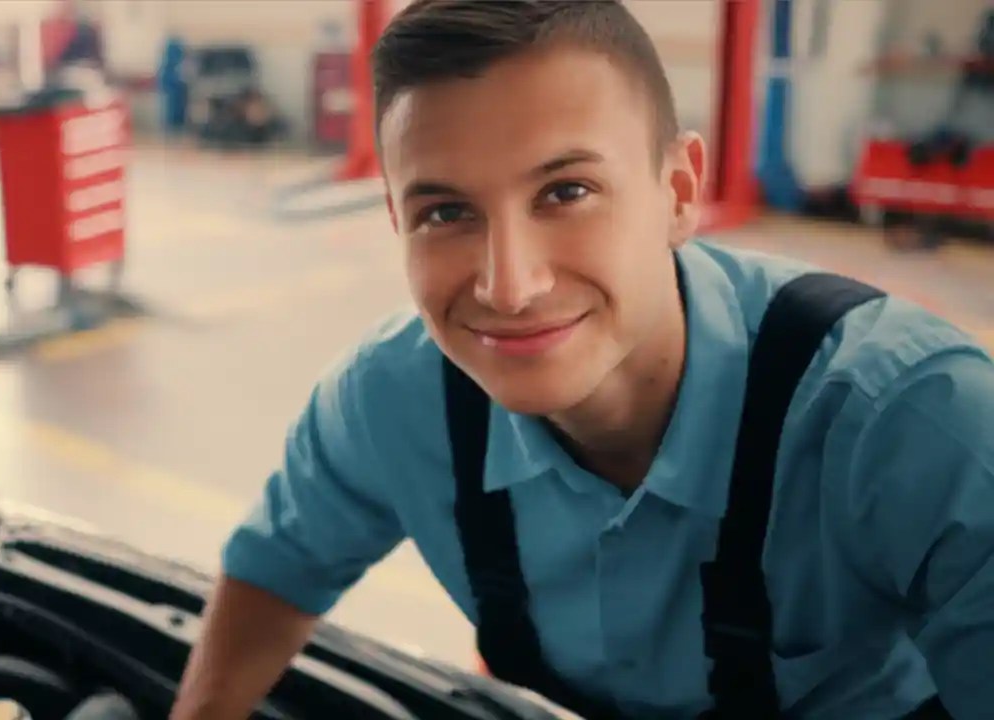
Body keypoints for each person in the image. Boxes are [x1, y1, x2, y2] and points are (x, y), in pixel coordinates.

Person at [169, 1, 994, 718]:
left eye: (565, 193)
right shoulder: (388, 401)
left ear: (678, 192)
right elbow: (276, 570)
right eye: (447, 211)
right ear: (396, 221)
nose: (510, 285)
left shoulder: (914, 423)